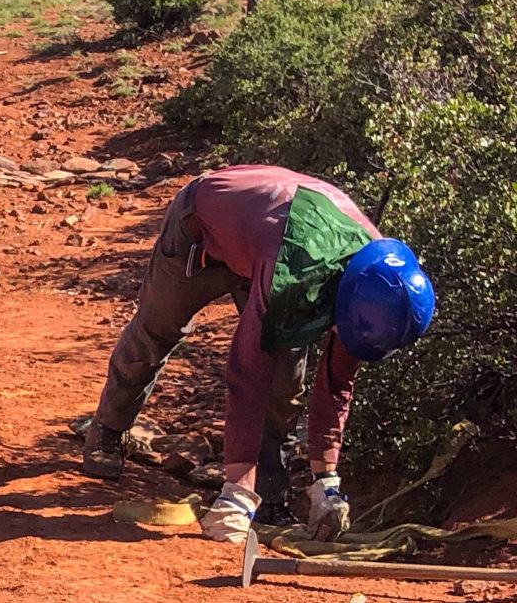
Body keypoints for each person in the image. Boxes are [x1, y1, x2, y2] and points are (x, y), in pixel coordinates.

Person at [80, 164, 435, 545]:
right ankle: (108, 429)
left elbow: (337, 382)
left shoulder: (378, 277)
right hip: (200, 234)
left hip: (265, 246)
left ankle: (270, 499)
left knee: (287, 380)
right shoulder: (296, 273)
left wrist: (326, 481)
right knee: (157, 331)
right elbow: (248, 373)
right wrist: (235, 490)